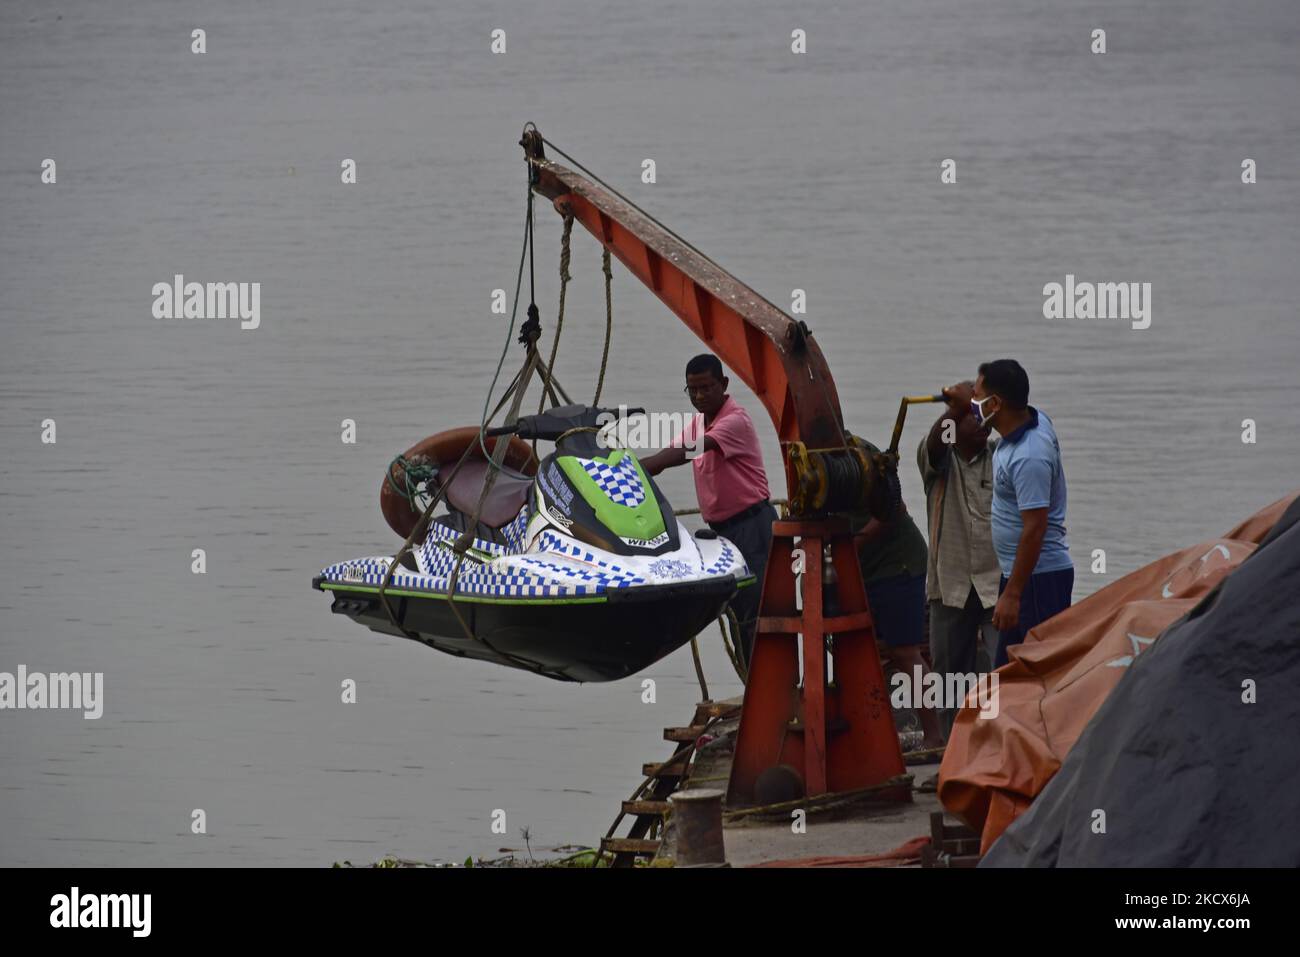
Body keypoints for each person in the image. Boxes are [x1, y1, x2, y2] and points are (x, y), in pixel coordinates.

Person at [642, 354, 776, 668]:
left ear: (724, 385)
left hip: (752, 527)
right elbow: (666, 456)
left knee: (757, 614)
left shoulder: (735, 421)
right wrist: (626, 467)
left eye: (706, 388)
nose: (700, 396)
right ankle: (754, 691)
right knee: (737, 612)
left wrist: (646, 465)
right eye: (692, 390)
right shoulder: (700, 422)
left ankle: (774, 693)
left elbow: (682, 454)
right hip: (723, 533)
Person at [970, 359, 1073, 667]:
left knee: (1029, 673)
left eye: (977, 398)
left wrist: (1013, 594)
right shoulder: (1035, 418)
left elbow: (1035, 528)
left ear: (996, 403)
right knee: (1011, 673)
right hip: (1022, 576)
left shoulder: (1029, 457)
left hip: (1037, 581)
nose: (974, 404)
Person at [848, 439, 944, 751]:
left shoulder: (861, 456)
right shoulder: (806, 462)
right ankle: (869, 734)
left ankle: (934, 734)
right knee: (862, 647)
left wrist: (852, 546)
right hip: (864, 568)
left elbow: (894, 509)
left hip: (897, 563)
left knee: (905, 652)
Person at [918, 381, 1001, 739]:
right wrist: (957, 406)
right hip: (949, 587)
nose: (981, 425)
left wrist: (975, 404)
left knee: (1006, 673)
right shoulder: (936, 461)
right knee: (951, 684)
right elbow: (936, 440)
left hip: (996, 585)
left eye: (985, 418)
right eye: (973, 419)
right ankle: (954, 759)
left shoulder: (1001, 456)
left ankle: (1004, 753)